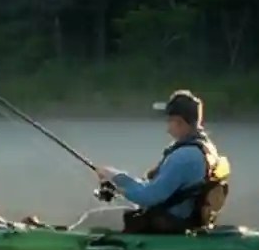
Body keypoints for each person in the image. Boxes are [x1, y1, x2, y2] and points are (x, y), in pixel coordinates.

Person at [94, 90, 230, 234]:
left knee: (96, 217)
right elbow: (156, 188)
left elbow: (149, 196)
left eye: (170, 121)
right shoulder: (205, 149)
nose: (167, 128)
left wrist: (116, 181)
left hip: (171, 224)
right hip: (185, 220)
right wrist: (117, 177)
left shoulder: (184, 158)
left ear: (180, 122)